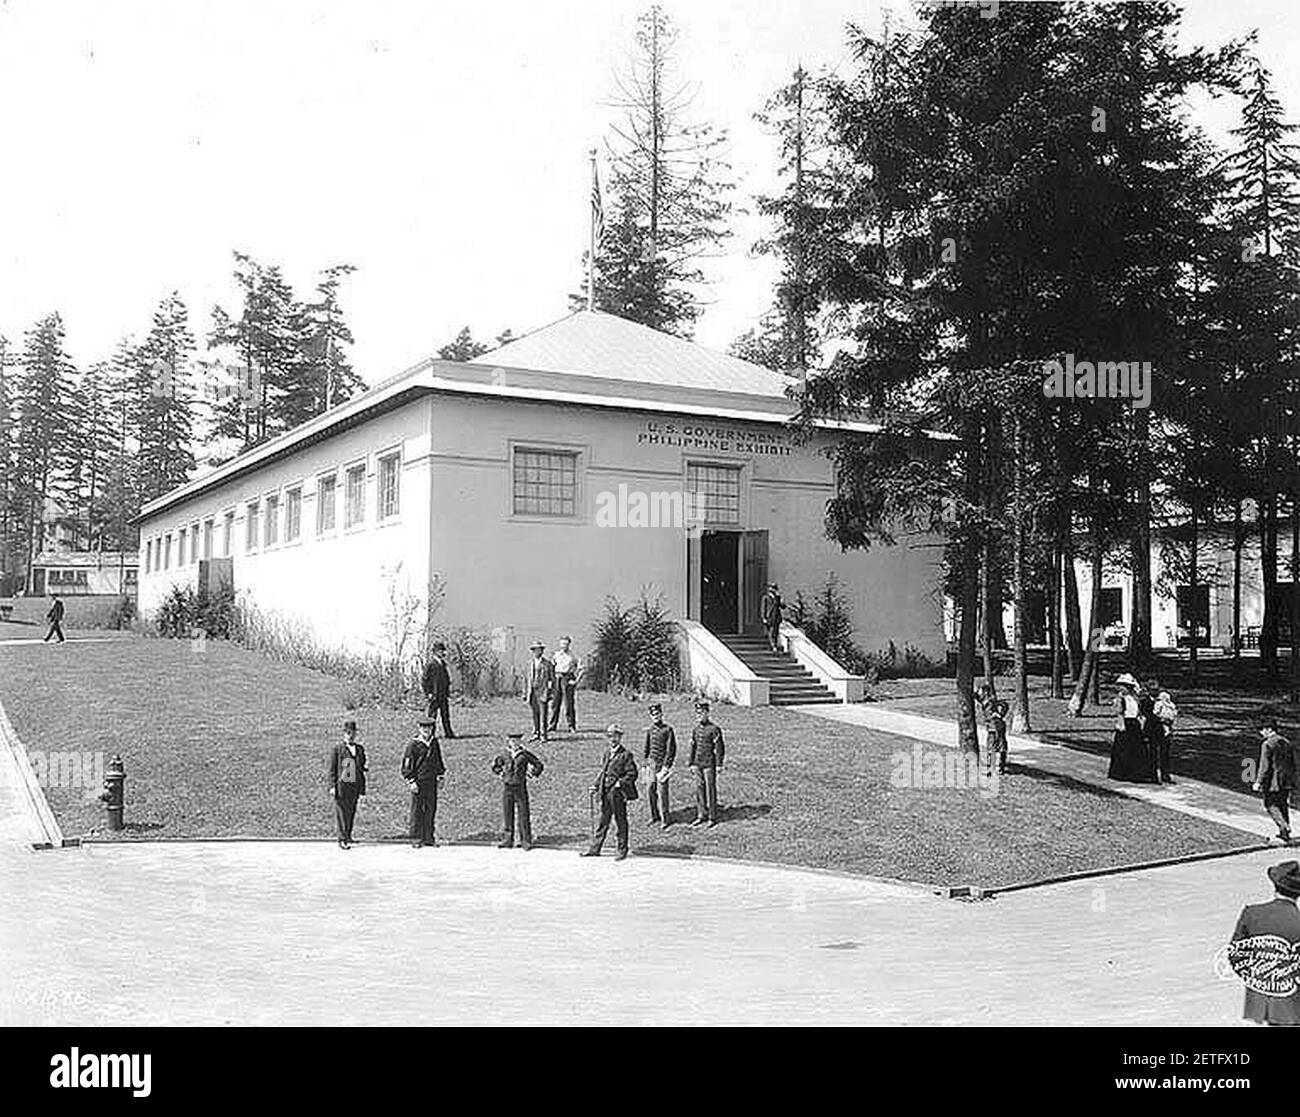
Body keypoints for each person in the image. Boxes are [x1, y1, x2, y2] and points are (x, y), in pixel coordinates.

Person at [1230, 861, 1300, 1025]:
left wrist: (1258, 979)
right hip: (1295, 1005)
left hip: (1262, 1001)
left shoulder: (1252, 914)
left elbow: (1235, 955)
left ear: (1275, 885)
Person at [582, 724, 639, 860]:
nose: (613, 739)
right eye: (611, 736)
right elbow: (603, 772)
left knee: (620, 821)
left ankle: (622, 850)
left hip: (618, 794)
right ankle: (595, 849)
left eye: (616, 736)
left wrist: (621, 783)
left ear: (620, 738)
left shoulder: (626, 755)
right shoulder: (607, 753)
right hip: (605, 792)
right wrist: (595, 786)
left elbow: (632, 774)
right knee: (603, 822)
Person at [492, 731, 544, 850]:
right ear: (508, 742)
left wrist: (533, 773)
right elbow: (495, 766)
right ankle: (507, 839)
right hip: (507, 787)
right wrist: (500, 772)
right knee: (507, 813)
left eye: (517, 741)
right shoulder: (504, 754)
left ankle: (525, 840)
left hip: (520, 787)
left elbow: (539, 765)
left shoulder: (524, 754)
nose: (515, 743)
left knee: (523, 814)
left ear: (520, 742)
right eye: (512, 741)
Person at [1252, 710, 1296, 845]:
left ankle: (1284, 826)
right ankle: (1285, 835)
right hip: (1286, 780)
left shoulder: (1267, 744)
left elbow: (1264, 766)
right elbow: (1292, 763)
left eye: (1262, 730)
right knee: (1282, 805)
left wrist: (1258, 782)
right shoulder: (1286, 742)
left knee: (1270, 804)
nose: (1260, 733)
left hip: (1273, 781)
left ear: (1268, 729)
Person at [401, 716, 445, 848]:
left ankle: (429, 837)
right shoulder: (413, 744)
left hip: (431, 781)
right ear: (419, 728)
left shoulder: (434, 742)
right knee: (417, 810)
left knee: (430, 809)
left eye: (429, 728)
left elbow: (438, 761)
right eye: (424, 728)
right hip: (418, 782)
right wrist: (411, 781)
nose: (427, 730)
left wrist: (441, 776)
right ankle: (416, 838)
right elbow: (407, 765)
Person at [328, 720, 368, 849]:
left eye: (353, 733)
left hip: (354, 785)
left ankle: (348, 836)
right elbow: (332, 769)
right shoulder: (338, 749)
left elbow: (362, 765)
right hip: (342, 784)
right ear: (344, 734)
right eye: (348, 733)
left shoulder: (359, 749)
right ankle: (342, 838)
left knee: (351, 811)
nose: (350, 736)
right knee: (341, 812)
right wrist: (332, 786)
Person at [1106, 673, 1153, 783]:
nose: (1124, 688)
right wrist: (1121, 724)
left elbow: (1142, 706)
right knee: (1123, 749)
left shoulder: (1135, 698)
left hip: (1134, 723)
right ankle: (1121, 774)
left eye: (1126, 686)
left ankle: (1137, 774)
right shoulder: (1120, 698)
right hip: (1125, 723)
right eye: (1123, 686)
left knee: (1136, 749)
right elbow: (1120, 712)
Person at [688, 700, 726, 827]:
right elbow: (693, 747)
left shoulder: (714, 729)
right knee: (699, 789)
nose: (700, 715)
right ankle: (701, 814)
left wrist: (719, 764)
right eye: (698, 713)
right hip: (698, 763)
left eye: (702, 713)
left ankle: (712, 816)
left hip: (709, 764)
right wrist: (691, 763)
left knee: (710, 790)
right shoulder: (695, 730)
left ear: (707, 713)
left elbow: (720, 748)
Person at [643, 702, 677, 829]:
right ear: (651, 716)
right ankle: (654, 816)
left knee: (662, 793)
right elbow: (646, 748)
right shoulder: (650, 730)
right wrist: (646, 763)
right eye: (653, 715)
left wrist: (666, 766)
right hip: (651, 764)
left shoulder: (668, 730)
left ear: (661, 714)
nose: (656, 716)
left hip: (662, 765)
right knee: (650, 791)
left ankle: (665, 819)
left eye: (657, 714)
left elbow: (671, 750)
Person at [1143, 677, 1178, 784]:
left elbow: (1172, 710)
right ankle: (1153, 775)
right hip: (1152, 730)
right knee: (1152, 753)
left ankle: (1165, 775)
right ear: (1148, 690)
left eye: (1156, 690)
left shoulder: (1164, 700)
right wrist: (1160, 719)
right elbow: (1148, 715)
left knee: (1165, 754)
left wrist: (1169, 720)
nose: (1155, 692)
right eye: (1152, 690)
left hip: (1164, 730)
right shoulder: (1145, 701)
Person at [548, 635, 581, 736]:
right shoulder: (556, 655)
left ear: (569, 644)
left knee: (568, 704)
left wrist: (576, 681)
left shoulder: (573, 656)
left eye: (566, 644)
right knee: (555, 703)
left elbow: (581, 669)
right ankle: (552, 725)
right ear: (559, 644)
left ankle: (571, 726)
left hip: (568, 678)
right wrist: (550, 681)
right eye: (562, 644)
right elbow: (551, 668)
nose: (564, 646)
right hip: (557, 677)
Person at [523, 640, 555, 742]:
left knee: (543, 714)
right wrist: (525, 692)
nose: (537, 652)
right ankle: (536, 732)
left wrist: (551, 692)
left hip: (543, 691)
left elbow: (552, 679)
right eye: (535, 650)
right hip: (532, 691)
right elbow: (526, 679)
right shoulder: (529, 663)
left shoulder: (547, 664)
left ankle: (543, 734)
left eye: (539, 649)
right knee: (535, 713)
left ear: (542, 651)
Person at [421, 642, 455, 739]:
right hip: (434, 695)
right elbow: (424, 680)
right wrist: (428, 693)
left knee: (445, 715)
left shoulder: (443, 664)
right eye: (441, 651)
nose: (443, 653)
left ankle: (448, 733)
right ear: (435, 652)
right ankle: (430, 734)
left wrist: (448, 690)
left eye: (443, 651)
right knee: (432, 716)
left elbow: (446, 679)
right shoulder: (431, 665)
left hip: (443, 695)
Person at [986, 698, 1009, 776]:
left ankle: (999, 769)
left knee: (1002, 751)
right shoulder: (992, 720)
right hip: (994, 737)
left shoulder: (1002, 721)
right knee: (992, 751)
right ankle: (990, 769)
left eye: (1002, 710)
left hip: (1001, 737)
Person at [760, 584, 784, 653]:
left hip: (777, 617)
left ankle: (775, 645)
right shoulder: (766, 598)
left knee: (776, 632)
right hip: (769, 617)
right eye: (772, 588)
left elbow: (783, 607)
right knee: (771, 632)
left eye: (774, 588)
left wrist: (781, 601)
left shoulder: (778, 598)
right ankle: (773, 646)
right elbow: (763, 608)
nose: (773, 590)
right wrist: (764, 617)